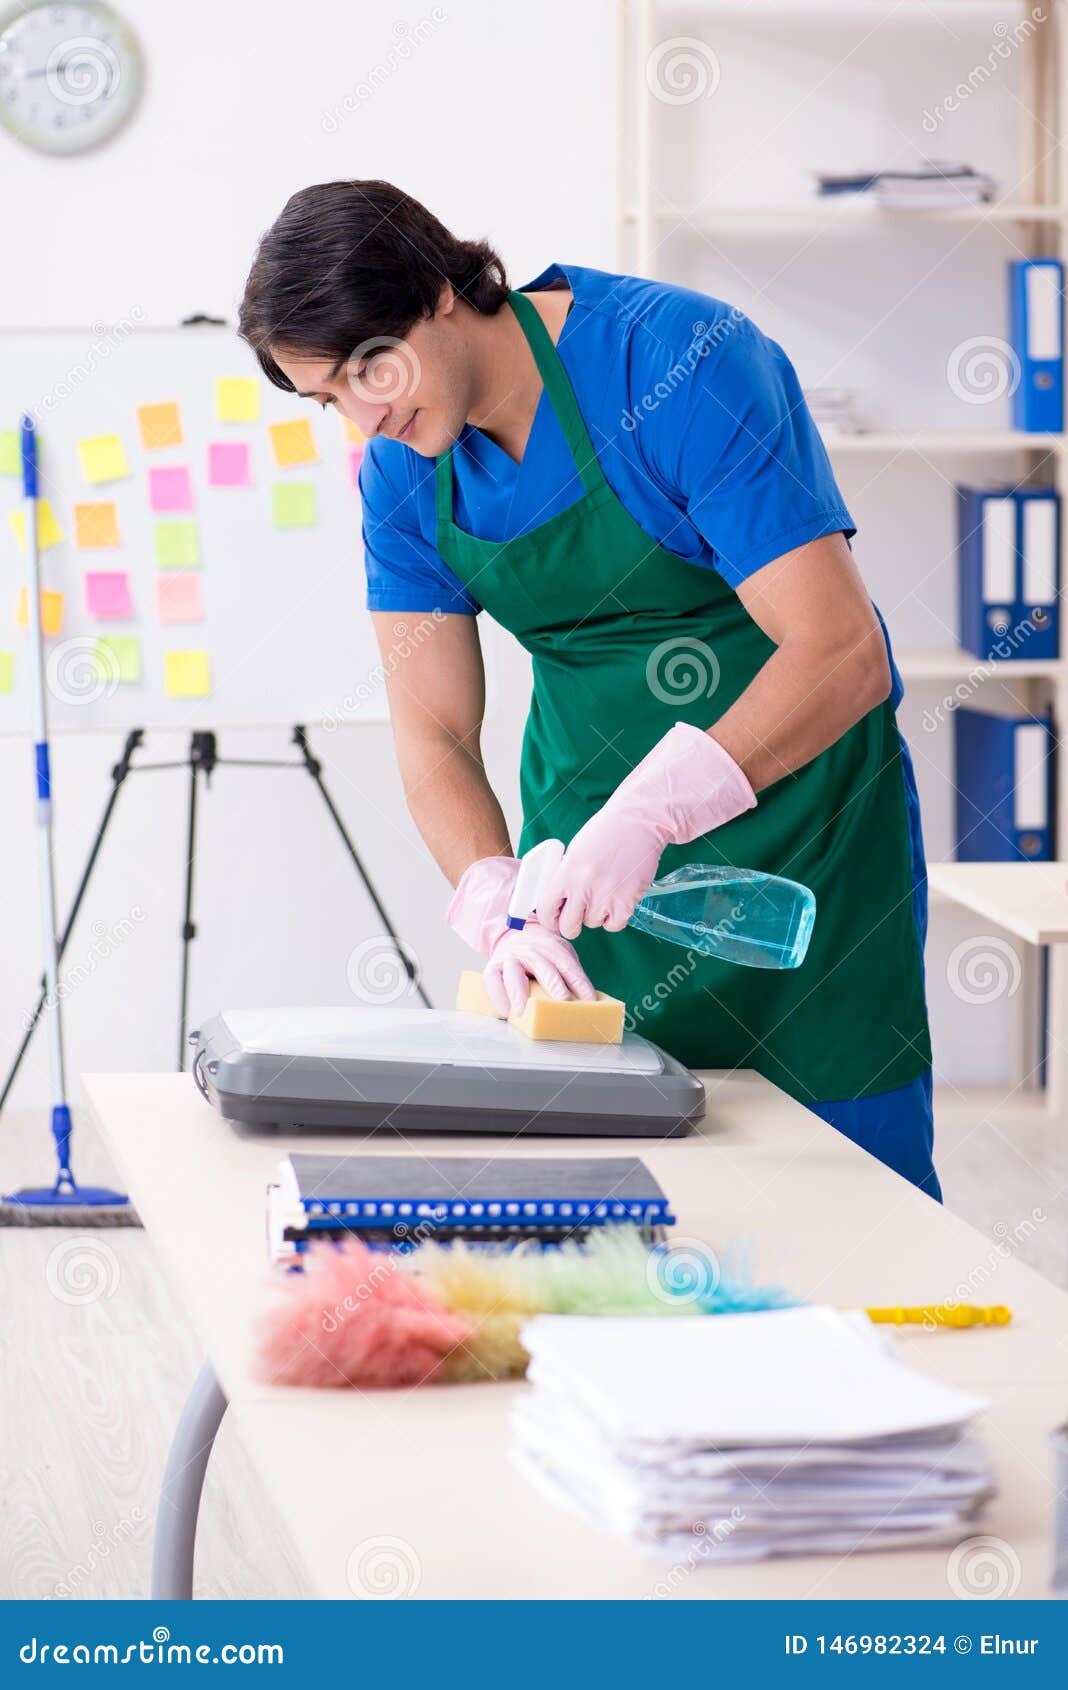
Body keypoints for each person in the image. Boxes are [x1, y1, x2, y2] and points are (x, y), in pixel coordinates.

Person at [238, 179, 939, 1198]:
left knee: (861, 1216)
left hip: (808, 864)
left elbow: (840, 652)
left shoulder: (680, 362)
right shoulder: (403, 474)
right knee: (624, 1218)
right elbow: (432, 731)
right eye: (328, 400)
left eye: (366, 370)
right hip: (588, 890)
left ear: (438, 290)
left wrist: (659, 807)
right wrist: (490, 895)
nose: (363, 420)